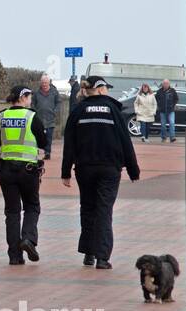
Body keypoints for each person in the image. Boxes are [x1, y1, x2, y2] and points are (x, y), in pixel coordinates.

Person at [60, 76, 140, 269]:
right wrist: (133, 169)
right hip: (109, 168)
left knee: (88, 208)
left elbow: (69, 142)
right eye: (106, 87)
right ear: (100, 89)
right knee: (104, 210)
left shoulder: (78, 110)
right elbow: (124, 140)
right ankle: (102, 257)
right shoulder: (113, 110)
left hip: (85, 168)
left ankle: (88, 253)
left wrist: (65, 172)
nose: (107, 90)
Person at [0, 86, 47, 265]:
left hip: (6, 171)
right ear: (23, 97)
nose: (31, 100)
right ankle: (28, 238)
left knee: (12, 212)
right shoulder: (31, 116)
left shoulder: (2, 116)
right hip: (28, 170)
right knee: (32, 206)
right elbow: (43, 141)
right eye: (29, 97)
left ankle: (15, 256)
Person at [32, 73, 61, 160]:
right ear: (41, 83)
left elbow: (58, 102)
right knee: (37, 136)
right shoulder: (36, 93)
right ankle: (35, 151)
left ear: (49, 83)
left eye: (46, 83)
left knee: (49, 137)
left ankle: (47, 153)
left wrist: (55, 111)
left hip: (50, 118)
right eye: (43, 83)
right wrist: (35, 112)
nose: (44, 84)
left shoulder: (54, 92)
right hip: (39, 118)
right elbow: (32, 103)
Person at [154, 78, 178, 143]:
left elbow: (176, 98)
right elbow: (156, 99)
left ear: (169, 84)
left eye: (167, 83)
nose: (165, 84)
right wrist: (159, 105)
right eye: (164, 83)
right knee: (163, 125)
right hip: (162, 111)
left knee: (172, 123)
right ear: (162, 84)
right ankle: (164, 137)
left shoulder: (172, 91)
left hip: (171, 110)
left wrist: (173, 105)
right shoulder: (159, 91)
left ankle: (172, 137)